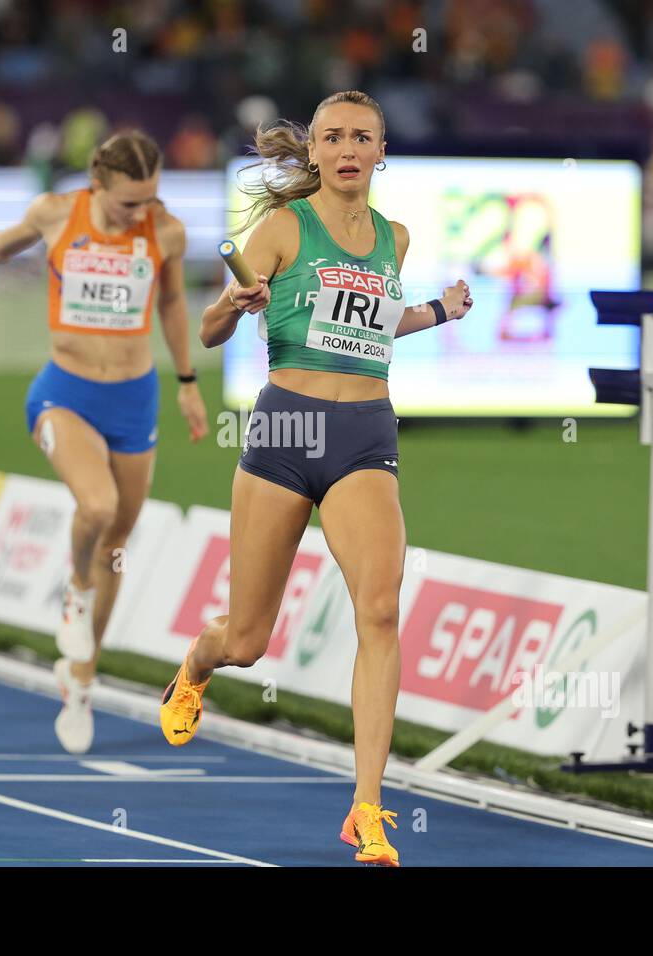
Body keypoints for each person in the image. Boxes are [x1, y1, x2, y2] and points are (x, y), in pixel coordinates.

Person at [157, 91, 473, 866]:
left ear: (380, 151)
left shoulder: (394, 238)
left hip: (367, 435)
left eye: (361, 137)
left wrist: (437, 310)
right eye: (333, 137)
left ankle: (367, 807)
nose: (347, 148)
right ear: (318, 153)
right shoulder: (282, 228)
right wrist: (237, 304)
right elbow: (207, 327)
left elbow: (375, 320)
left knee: (379, 608)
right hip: (286, 429)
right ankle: (199, 662)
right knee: (249, 639)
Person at [0, 130, 209, 753]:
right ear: (97, 183)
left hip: (134, 400)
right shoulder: (57, 214)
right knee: (97, 508)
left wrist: (187, 381)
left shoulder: (167, 231)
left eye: (151, 199)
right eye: (131, 201)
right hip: (65, 394)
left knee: (117, 542)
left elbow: (174, 303)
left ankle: (79, 680)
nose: (143, 212)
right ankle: (74, 594)